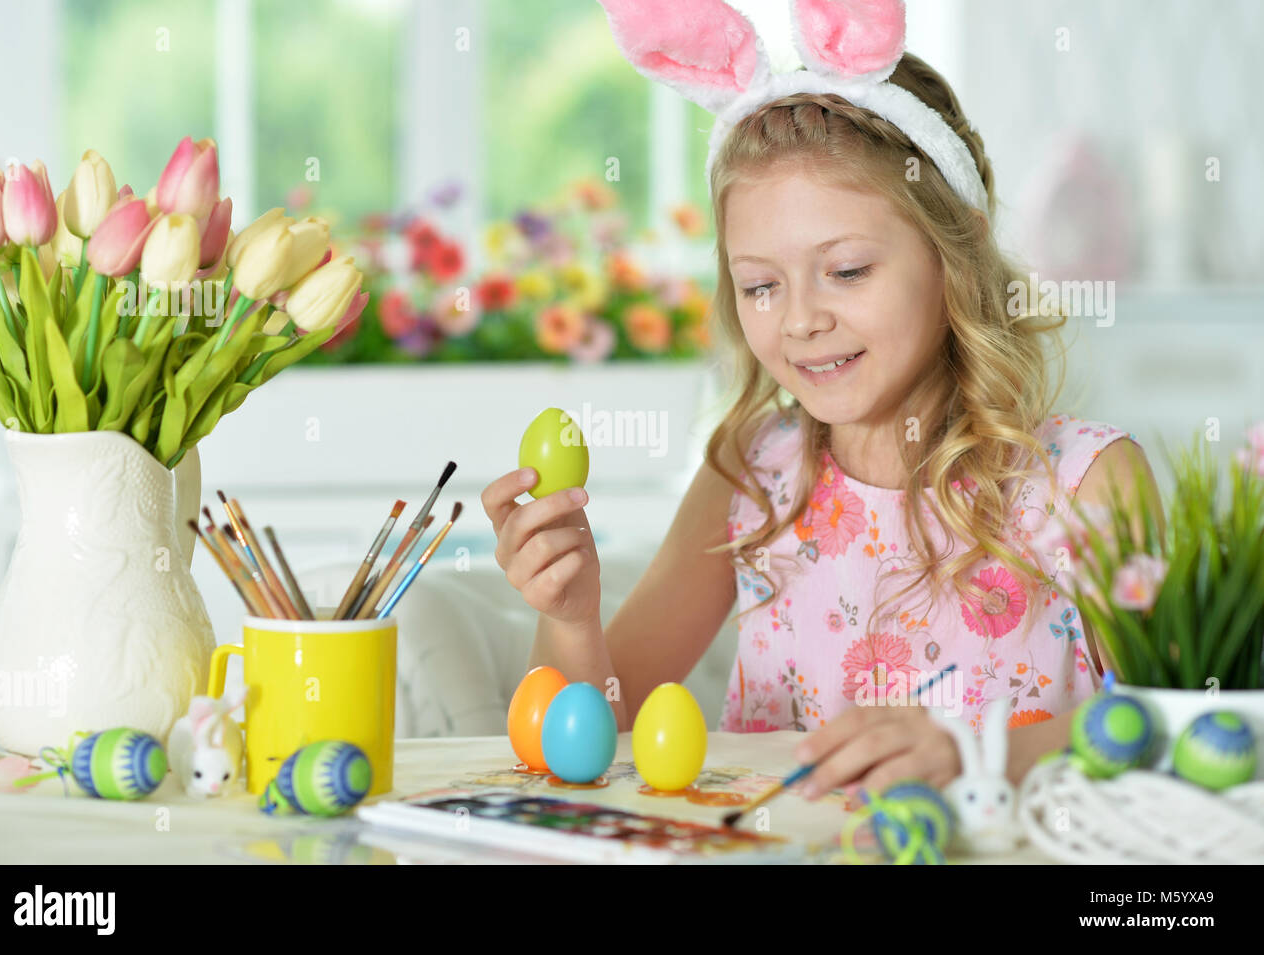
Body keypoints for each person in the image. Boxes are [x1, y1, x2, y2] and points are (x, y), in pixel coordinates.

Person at [481, 0, 1159, 804]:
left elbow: (1187, 731)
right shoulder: (752, 475)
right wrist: (570, 612)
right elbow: (585, 738)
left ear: (955, 255)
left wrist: (973, 754)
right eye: (761, 285)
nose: (801, 319)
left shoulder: (1085, 482)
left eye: (846, 270)